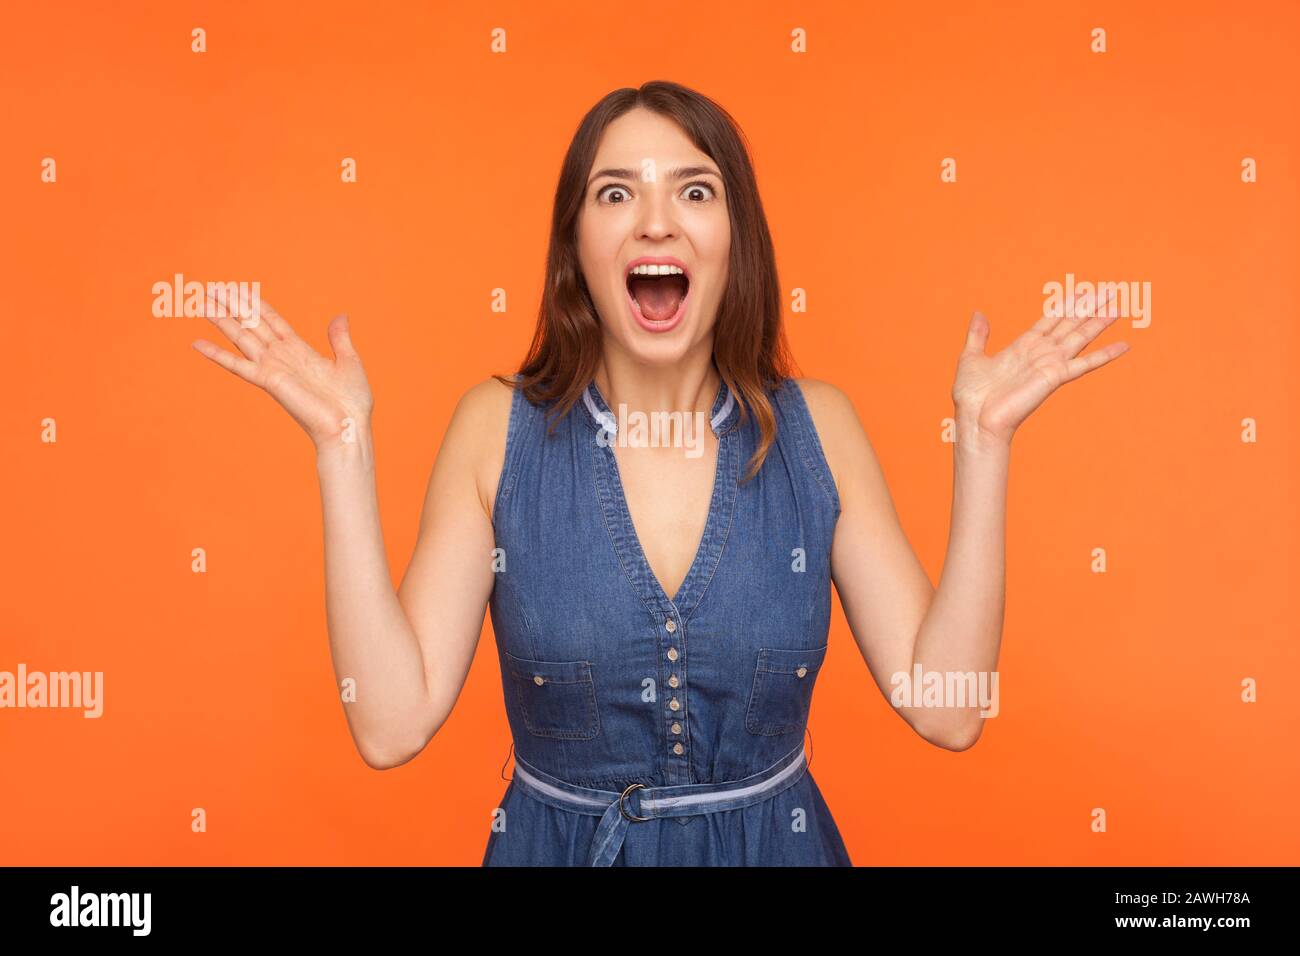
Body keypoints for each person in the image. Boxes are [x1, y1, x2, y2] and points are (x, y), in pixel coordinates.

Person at [191, 80, 1129, 866]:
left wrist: (985, 441)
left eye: (693, 191)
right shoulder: (497, 433)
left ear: (735, 238)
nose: (655, 222)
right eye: (614, 194)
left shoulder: (819, 432)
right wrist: (341, 445)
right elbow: (389, 726)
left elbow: (948, 711)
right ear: (578, 251)